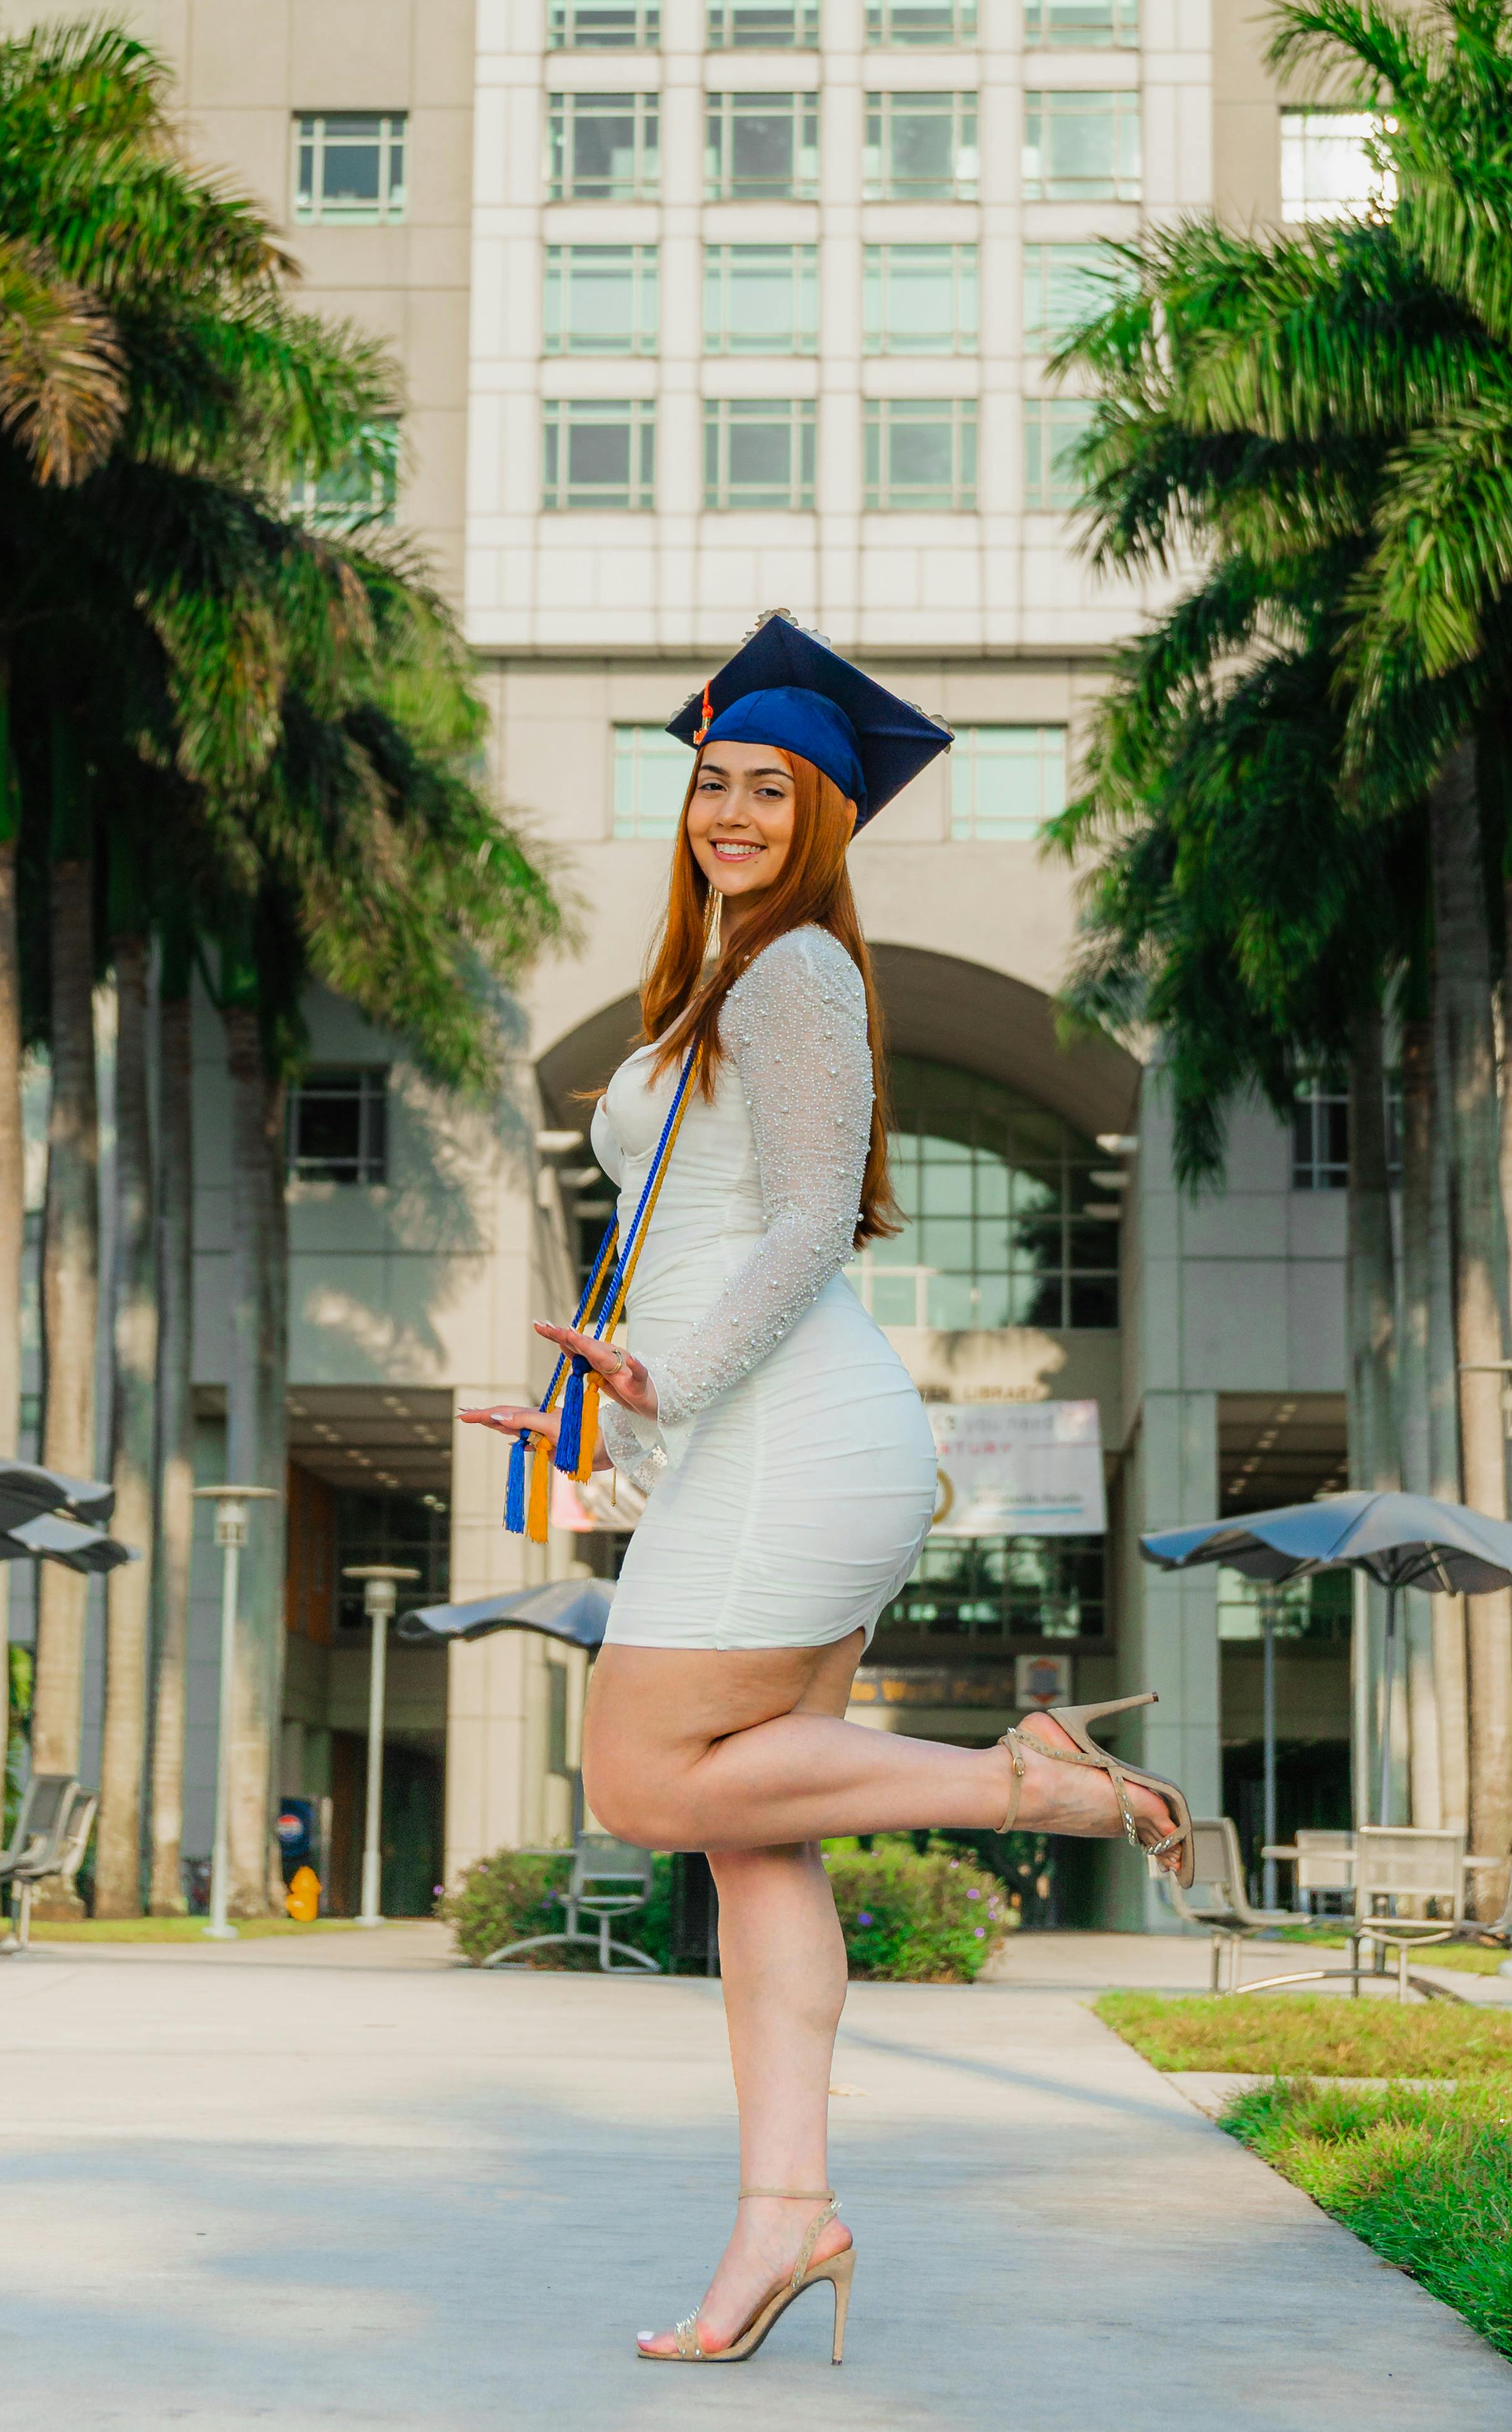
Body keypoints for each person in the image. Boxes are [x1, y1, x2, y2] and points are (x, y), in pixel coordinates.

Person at [463, 614, 1192, 2367]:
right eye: (711, 781)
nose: (730, 811)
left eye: (768, 788)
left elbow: (803, 1221)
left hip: (797, 1427)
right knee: (746, 1840)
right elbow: (688, 1245)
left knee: (642, 1779)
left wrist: (675, 1381)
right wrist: (610, 1421)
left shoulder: (793, 974)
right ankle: (787, 2218)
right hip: (744, 1432)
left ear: (824, 816)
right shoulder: (711, 981)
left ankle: (1034, 1789)